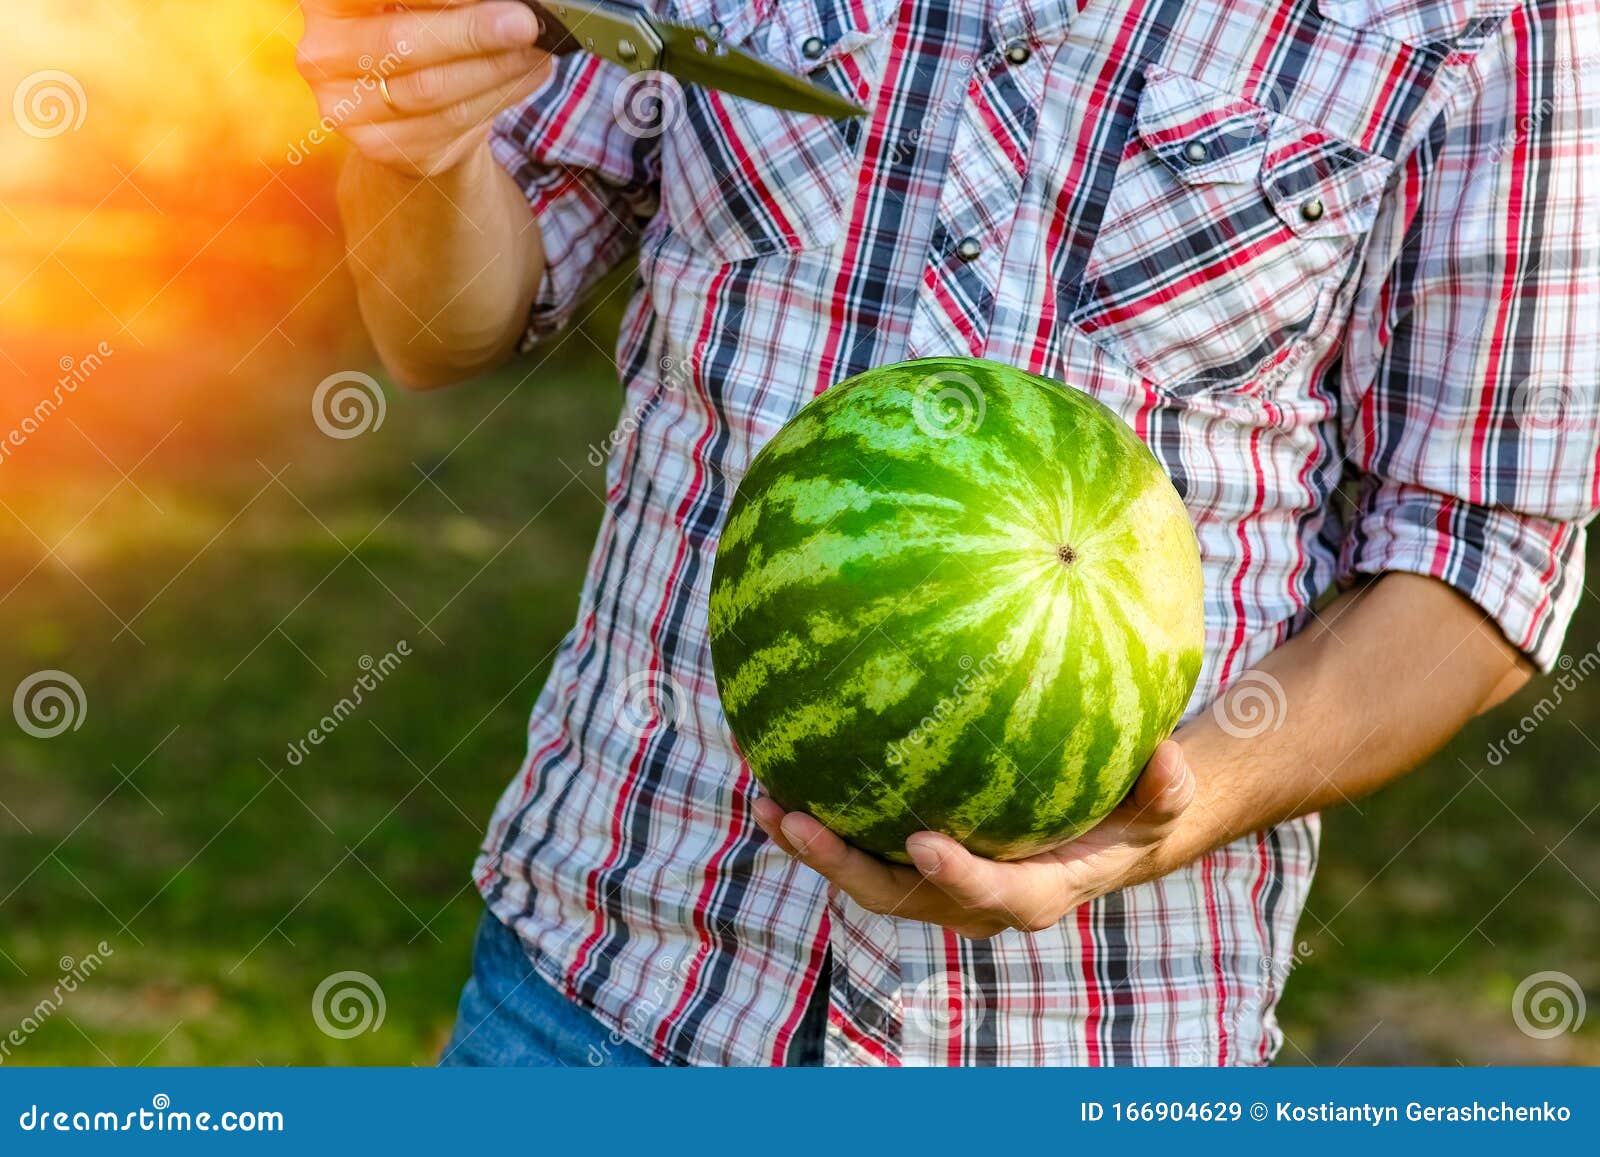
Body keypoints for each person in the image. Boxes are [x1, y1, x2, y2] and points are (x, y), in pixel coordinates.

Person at [294, 0, 1598, 1066]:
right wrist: (414, 149)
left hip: (1097, 1046)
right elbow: (451, 325)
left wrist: (1161, 813)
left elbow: (1480, 564)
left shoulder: (1495, 22)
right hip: (602, 993)